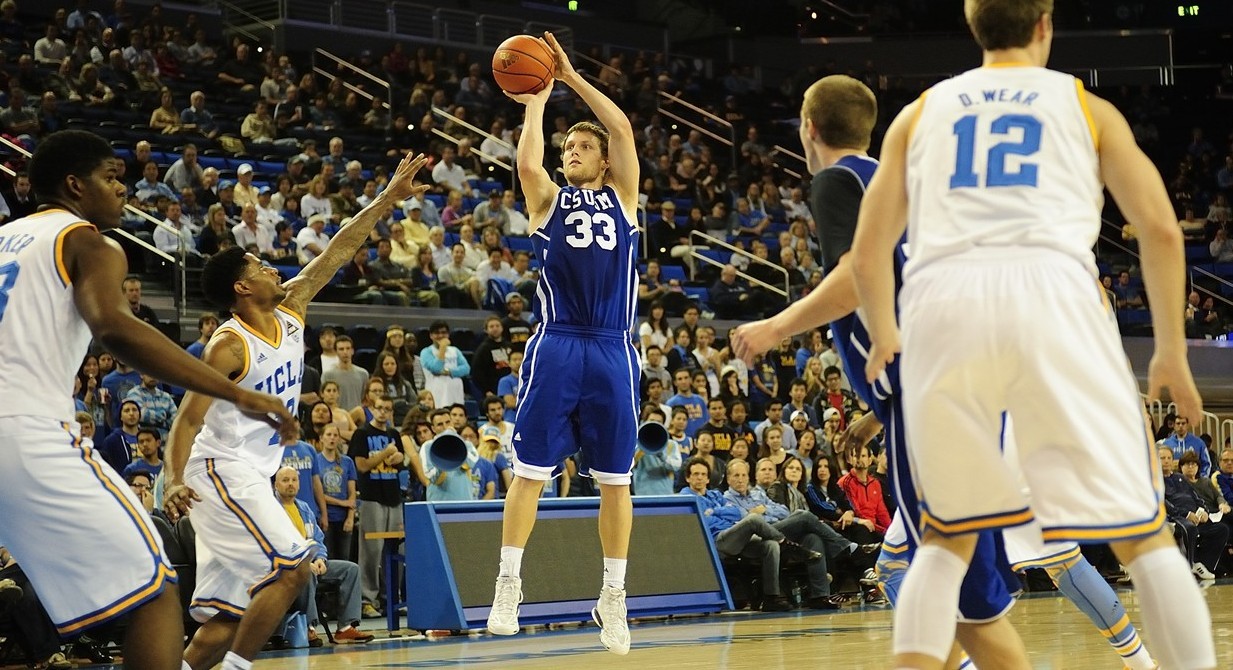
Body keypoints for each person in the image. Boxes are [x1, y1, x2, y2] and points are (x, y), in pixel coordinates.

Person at [847, 2, 1213, 668]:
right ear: (1044, 24)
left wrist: (881, 334)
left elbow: (867, 252)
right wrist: (1167, 349)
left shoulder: (919, 112)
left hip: (942, 304)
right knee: (1143, 538)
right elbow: (1159, 230)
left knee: (942, 542)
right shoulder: (1083, 107)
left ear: (971, 26)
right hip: (1051, 295)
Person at [729, 74, 1029, 668]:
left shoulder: (836, 181)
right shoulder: (908, 185)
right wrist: (874, 414)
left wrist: (775, 327)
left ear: (808, 129)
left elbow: (856, 275)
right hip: (964, 387)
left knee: (958, 596)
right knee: (952, 593)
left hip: (930, 402)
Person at [0, 129, 294, 670]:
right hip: (27, 431)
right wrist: (236, 394)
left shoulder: (5, 238)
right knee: (155, 589)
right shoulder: (87, 241)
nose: (123, 191)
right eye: (111, 178)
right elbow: (115, 328)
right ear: (74, 185)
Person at [160, 152, 429, 670]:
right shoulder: (228, 347)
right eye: (259, 266)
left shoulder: (290, 307)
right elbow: (187, 419)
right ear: (242, 288)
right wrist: (171, 478)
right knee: (294, 569)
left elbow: (338, 248)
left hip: (250, 476)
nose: (270, 267)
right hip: (218, 471)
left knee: (229, 617)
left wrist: (386, 199)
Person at [487, 32, 640, 656]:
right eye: (567, 146)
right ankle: (508, 583)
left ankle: (613, 594)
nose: (571, 151)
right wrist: (534, 100)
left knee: (614, 479)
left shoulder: (624, 198)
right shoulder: (549, 200)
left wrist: (572, 78)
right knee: (529, 472)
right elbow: (527, 163)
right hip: (557, 343)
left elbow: (624, 129)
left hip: (612, 346)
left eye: (583, 147)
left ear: (602, 162)